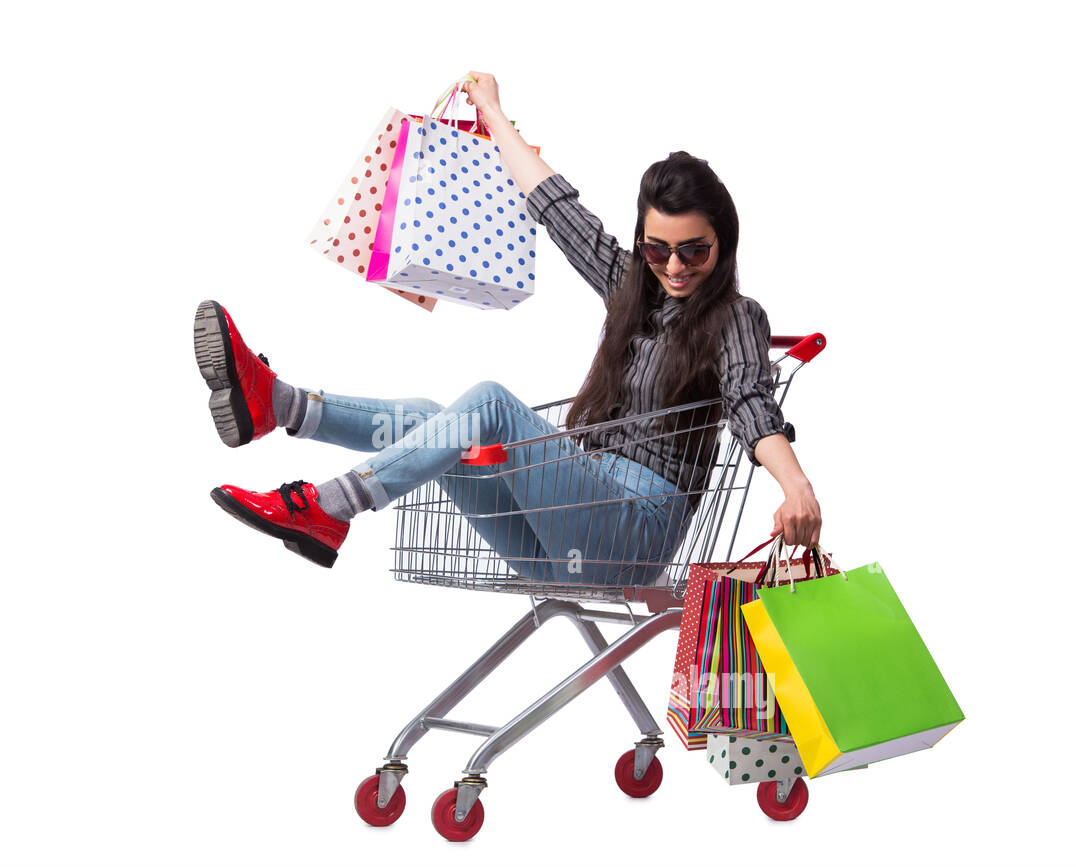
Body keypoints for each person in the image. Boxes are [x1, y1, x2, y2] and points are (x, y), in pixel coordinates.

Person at [195, 72, 822, 577]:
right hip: (564, 530)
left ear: (723, 245)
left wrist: (797, 487)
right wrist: (492, 113)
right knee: (432, 417)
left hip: (632, 531)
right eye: (658, 250)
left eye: (695, 250)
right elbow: (557, 209)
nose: (675, 266)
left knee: (487, 405)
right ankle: (280, 405)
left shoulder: (736, 317)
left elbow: (749, 402)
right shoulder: (632, 285)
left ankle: (332, 506)